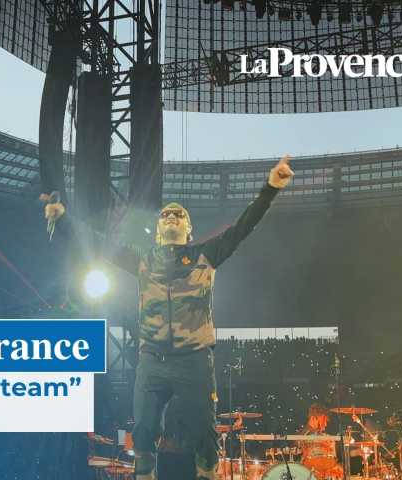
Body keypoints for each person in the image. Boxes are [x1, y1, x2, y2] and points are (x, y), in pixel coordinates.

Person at [43, 155, 294, 480]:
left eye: (179, 215)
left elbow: (243, 227)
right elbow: (98, 243)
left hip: (194, 359)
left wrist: (271, 187)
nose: (172, 216)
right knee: (144, 431)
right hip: (153, 360)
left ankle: (207, 473)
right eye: (166, 215)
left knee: (205, 433)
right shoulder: (143, 260)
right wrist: (63, 220)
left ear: (189, 230)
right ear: (159, 232)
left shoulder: (207, 254)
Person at [299, 403, 343, 479]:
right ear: (314, 418)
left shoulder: (329, 438)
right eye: (324, 420)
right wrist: (308, 427)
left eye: (326, 421)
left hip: (327, 470)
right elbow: (294, 443)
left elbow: (334, 458)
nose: (325, 424)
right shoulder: (305, 436)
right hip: (309, 470)